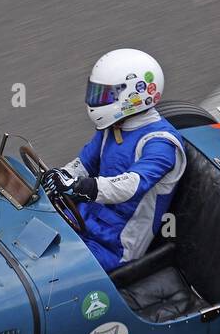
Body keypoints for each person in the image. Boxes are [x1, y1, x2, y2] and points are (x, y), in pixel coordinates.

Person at [45, 48, 187, 271]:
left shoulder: (161, 143)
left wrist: (80, 186)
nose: (97, 100)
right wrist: (61, 177)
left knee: (46, 271)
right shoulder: (112, 128)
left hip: (115, 246)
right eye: (96, 92)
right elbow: (83, 164)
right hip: (84, 219)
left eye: (105, 95)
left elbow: (131, 185)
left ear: (134, 95)